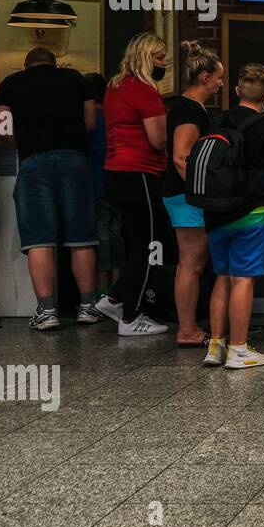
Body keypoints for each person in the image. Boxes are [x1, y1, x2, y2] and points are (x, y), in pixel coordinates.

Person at [0, 48, 101, 331]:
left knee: (39, 238)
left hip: (33, 162)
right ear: (54, 63)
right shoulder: (76, 78)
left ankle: (47, 311)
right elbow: (90, 121)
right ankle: (88, 307)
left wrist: (26, 141)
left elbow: (2, 130)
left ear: (26, 65)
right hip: (75, 159)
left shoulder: (10, 83)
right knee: (81, 237)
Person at [202, 64, 264, 370]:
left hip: (214, 212)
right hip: (252, 213)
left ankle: (215, 345)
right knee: (243, 280)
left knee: (222, 277)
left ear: (236, 91)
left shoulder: (216, 122)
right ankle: (238, 349)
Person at [97, 33, 171, 337]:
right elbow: (158, 139)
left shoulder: (115, 88)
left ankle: (114, 299)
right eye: (159, 58)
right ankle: (130, 318)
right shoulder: (144, 91)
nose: (164, 63)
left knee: (136, 243)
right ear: (145, 57)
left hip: (116, 173)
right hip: (139, 173)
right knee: (148, 246)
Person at [164, 42, 224, 348]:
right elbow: (181, 157)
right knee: (192, 262)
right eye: (217, 77)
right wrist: (205, 193)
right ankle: (187, 329)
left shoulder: (190, 108)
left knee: (194, 262)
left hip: (186, 196)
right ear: (204, 77)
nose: (220, 83)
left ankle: (188, 326)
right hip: (187, 196)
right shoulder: (188, 109)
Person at [83, 73, 123, 300]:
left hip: (94, 186)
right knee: (117, 238)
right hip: (117, 183)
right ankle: (117, 292)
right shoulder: (113, 117)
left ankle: (101, 293)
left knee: (99, 240)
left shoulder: (87, 121)